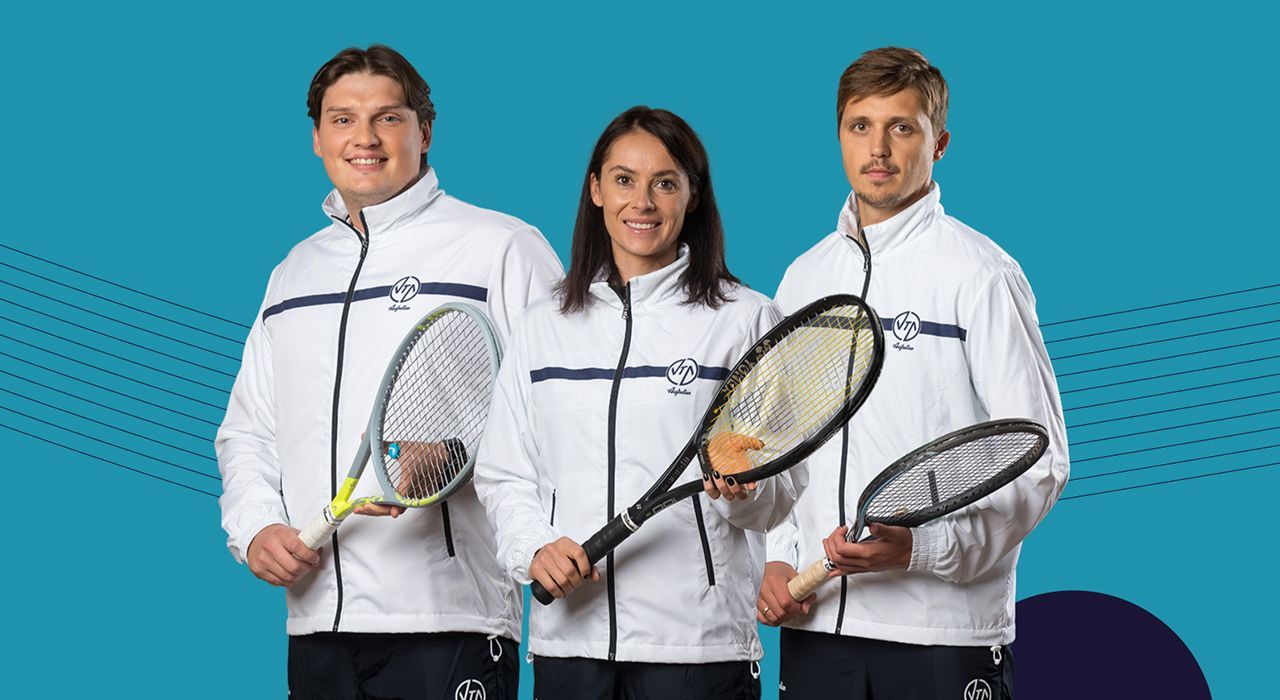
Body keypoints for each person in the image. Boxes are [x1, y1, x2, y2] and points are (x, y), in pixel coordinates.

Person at [215, 44, 563, 699]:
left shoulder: (501, 248)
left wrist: (456, 455)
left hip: (447, 622)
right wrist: (257, 525)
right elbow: (248, 431)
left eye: (389, 118)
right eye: (342, 120)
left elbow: (567, 410)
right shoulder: (292, 273)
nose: (365, 138)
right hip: (314, 627)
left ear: (425, 130)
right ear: (317, 138)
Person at [758, 47, 1070, 698]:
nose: (879, 148)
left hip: (943, 639)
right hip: (818, 634)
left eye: (902, 127)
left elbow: (1039, 460)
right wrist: (779, 559)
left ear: (940, 142)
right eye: (860, 126)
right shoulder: (802, 278)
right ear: (839, 136)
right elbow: (778, 449)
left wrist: (922, 549)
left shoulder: (982, 276)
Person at [474, 106, 804, 699]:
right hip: (568, 644)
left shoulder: (744, 319)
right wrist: (533, 549)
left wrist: (747, 487)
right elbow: (505, 474)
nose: (642, 202)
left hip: (698, 648)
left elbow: (783, 491)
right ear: (596, 190)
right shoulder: (542, 324)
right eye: (624, 179)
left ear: (693, 197)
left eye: (666, 182)